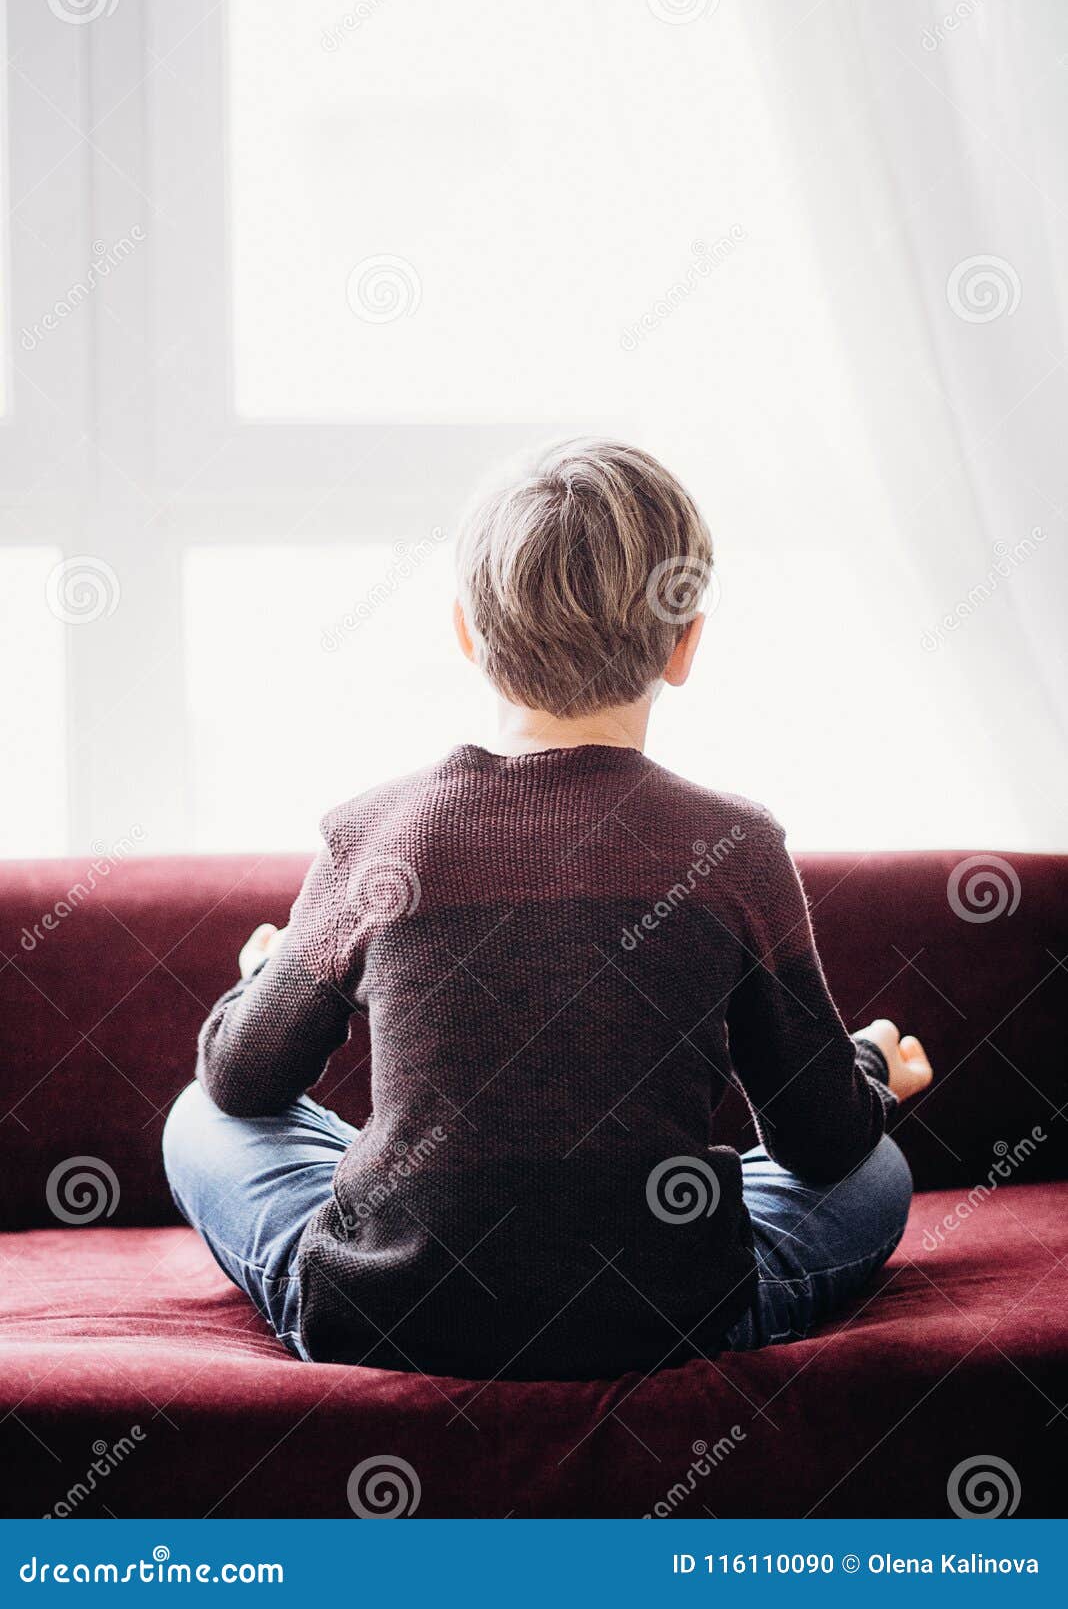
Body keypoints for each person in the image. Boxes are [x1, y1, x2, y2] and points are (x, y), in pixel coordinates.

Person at [163, 438, 932, 1377]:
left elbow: (242, 1083)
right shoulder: (738, 848)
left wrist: (260, 983)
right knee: (878, 1169)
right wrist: (869, 1077)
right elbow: (819, 1142)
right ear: (685, 643)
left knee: (197, 1121)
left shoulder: (379, 833)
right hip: (675, 1313)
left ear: (464, 632)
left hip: (387, 1312)